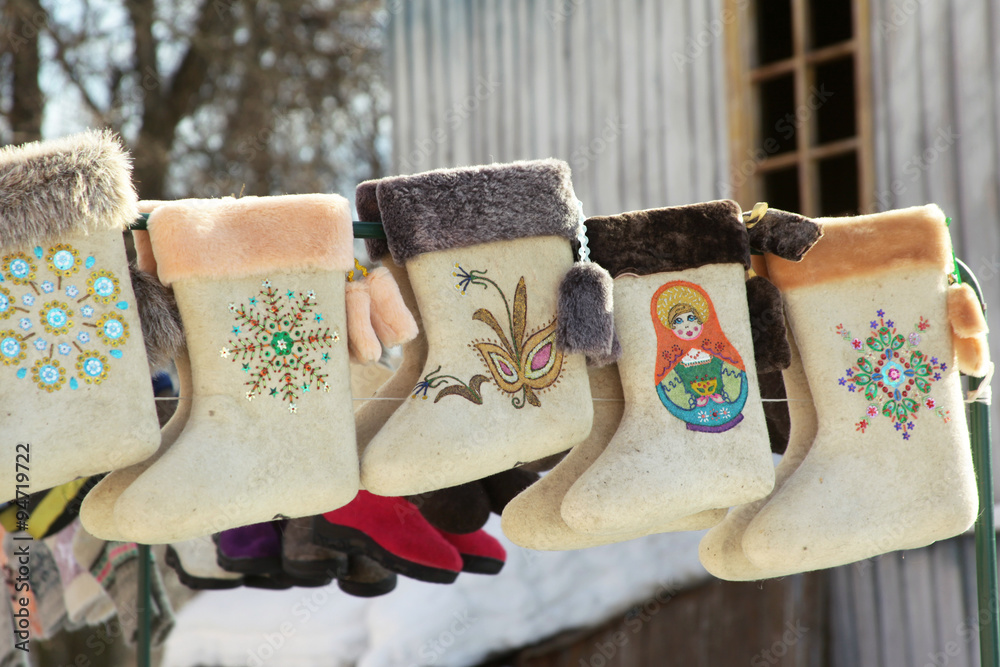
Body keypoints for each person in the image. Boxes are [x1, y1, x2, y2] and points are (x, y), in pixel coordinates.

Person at [651, 281, 748, 432]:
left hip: (727, 404)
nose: (687, 326)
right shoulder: (671, 360)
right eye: (678, 321)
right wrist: (687, 402)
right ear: (671, 328)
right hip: (694, 409)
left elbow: (733, 372)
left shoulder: (717, 351)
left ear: (701, 320)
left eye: (691, 319)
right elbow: (669, 383)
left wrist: (729, 394)